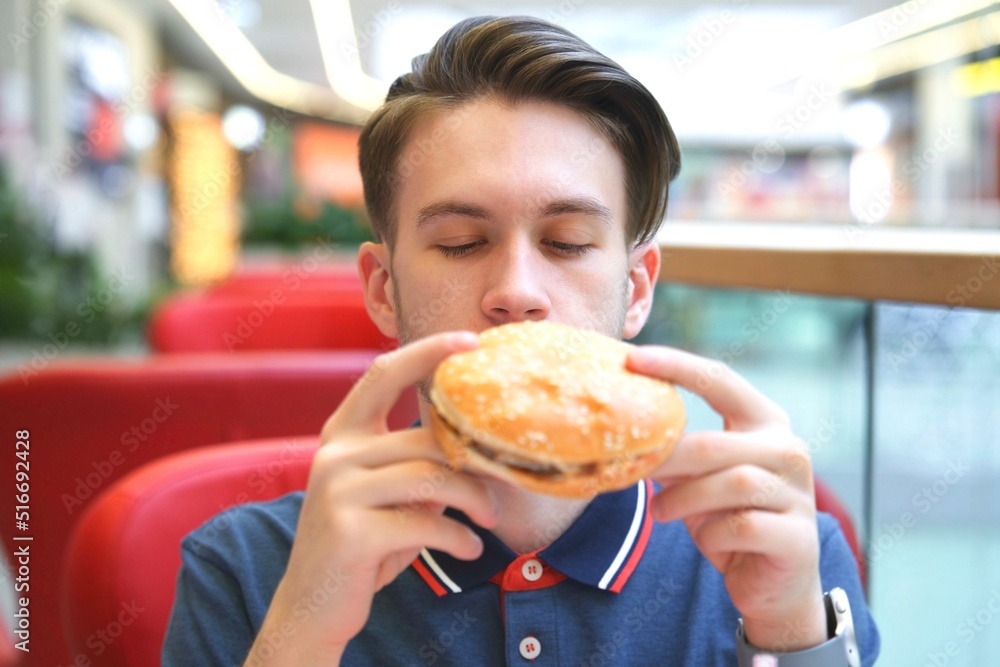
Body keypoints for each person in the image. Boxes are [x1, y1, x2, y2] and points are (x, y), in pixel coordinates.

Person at [162, 15, 879, 666]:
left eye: (566, 243)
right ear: (383, 288)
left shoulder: (785, 558)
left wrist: (789, 632)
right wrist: (305, 632)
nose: (517, 288)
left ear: (636, 289)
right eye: (462, 241)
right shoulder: (245, 570)